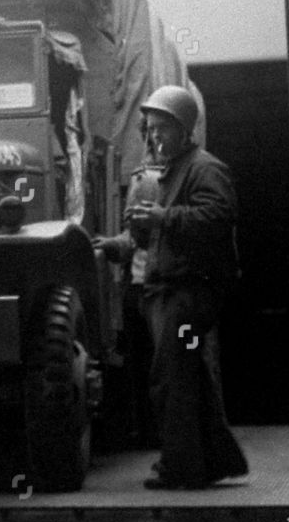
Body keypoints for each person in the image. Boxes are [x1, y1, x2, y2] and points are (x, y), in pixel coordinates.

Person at [95, 85, 247, 489]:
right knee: (187, 373)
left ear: (183, 128)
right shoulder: (165, 174)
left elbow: (218, 216)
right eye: (149, 128)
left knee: (170, 378)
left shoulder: (205, 169)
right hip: (164, 296)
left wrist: (164, 217)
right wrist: (116, 245)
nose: (153, 136)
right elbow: (148, 238)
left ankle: (180, 468)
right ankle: (215, 460)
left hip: (189, 297)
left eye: (162, 128)